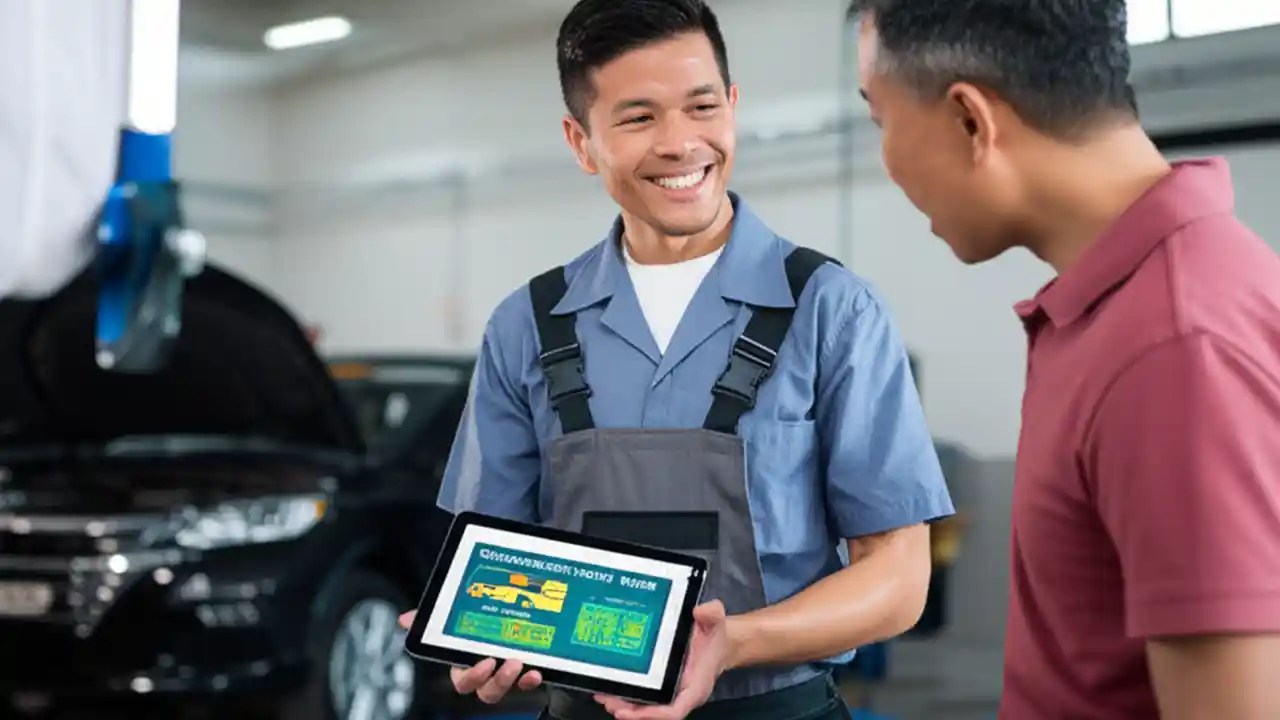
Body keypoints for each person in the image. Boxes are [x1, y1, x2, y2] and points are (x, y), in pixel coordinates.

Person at [397, 0, 956, 718]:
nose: (679, 142)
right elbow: (495, 570)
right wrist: (480, 638)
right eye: (638, 118)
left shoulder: (832, 310)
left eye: (700, 107)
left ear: (732, 105)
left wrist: (737, 642)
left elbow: (900, 581)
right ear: (581, 141)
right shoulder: (525, 327)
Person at [848, 1, 1280, 718]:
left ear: (969, 121)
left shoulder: (1175, 347)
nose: (886, 159)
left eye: (880, 122)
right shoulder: (1129, 308)